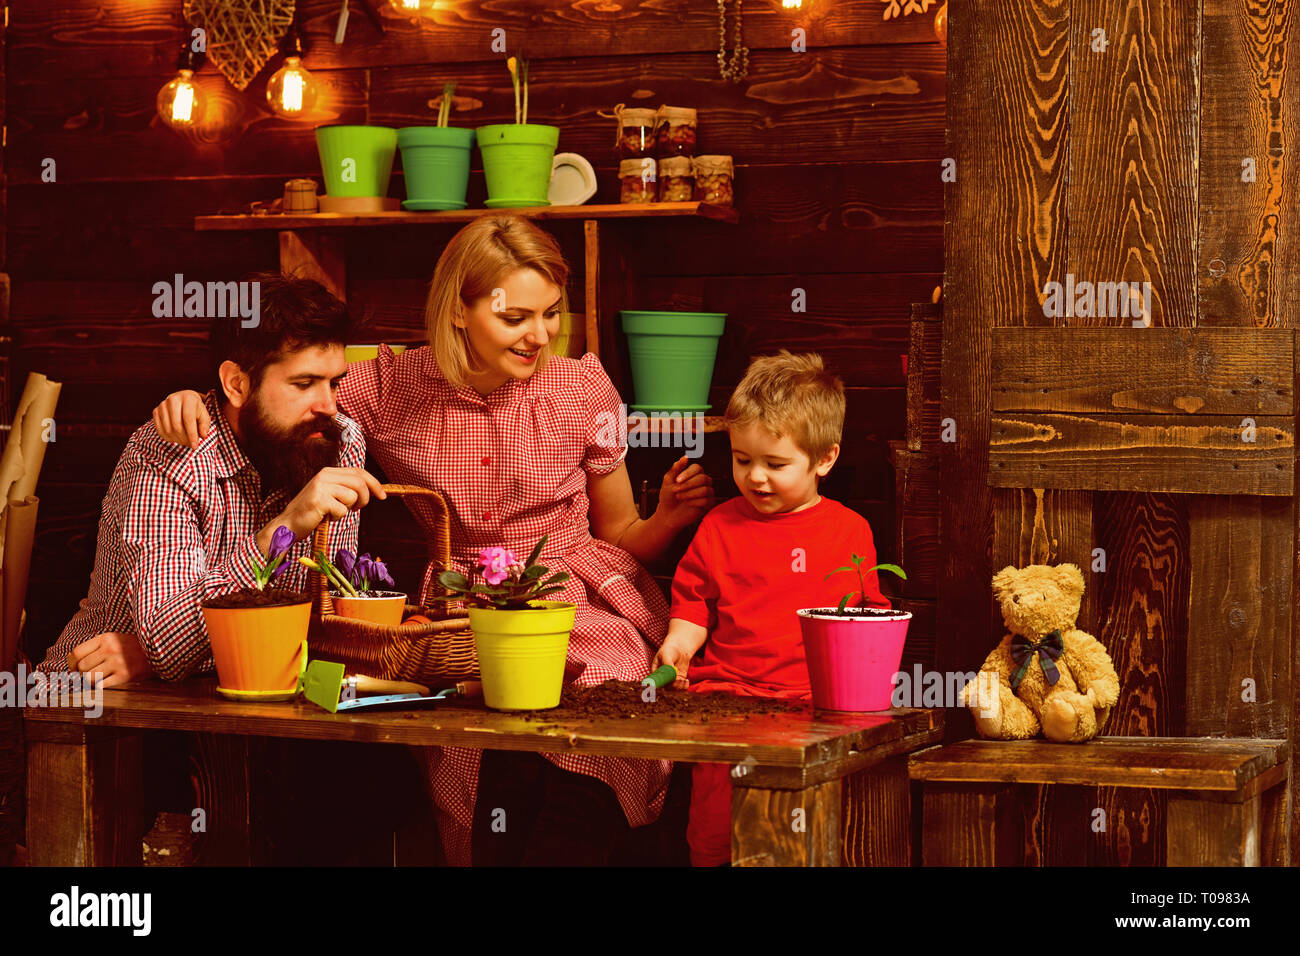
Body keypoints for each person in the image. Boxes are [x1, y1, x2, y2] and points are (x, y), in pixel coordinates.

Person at [150, 213, 714, 866]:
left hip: (572, 599)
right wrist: (189, 397)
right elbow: (285, 385)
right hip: (458, 608)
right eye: (516, 317)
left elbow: (621, 534)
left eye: (551, 313)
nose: (540, 335)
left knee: (595, 722)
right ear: (458, 313)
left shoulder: (577, 386)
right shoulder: (391, 388)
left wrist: (669, 515)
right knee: (473, 749)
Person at [38, 274, 384, 684]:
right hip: (96, 694)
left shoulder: (336, 439)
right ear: (237, 384)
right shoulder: (168, 450)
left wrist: (173, 654)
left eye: (335, 381)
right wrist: (285, 528)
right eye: (304, 383)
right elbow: (167, 643)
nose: (329, 404)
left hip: (248, 686)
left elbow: (320, 619)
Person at [651, 350, 890, 866]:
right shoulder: (718, 525)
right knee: (718, 826)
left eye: (775, 464)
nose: (755, 477)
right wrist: (678, 644)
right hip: (728, 701)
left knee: (799, 831)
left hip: (816, 706)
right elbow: (694, 602)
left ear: (824, 459)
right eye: (742, 460)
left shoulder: (850, 531)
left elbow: (868, 619)